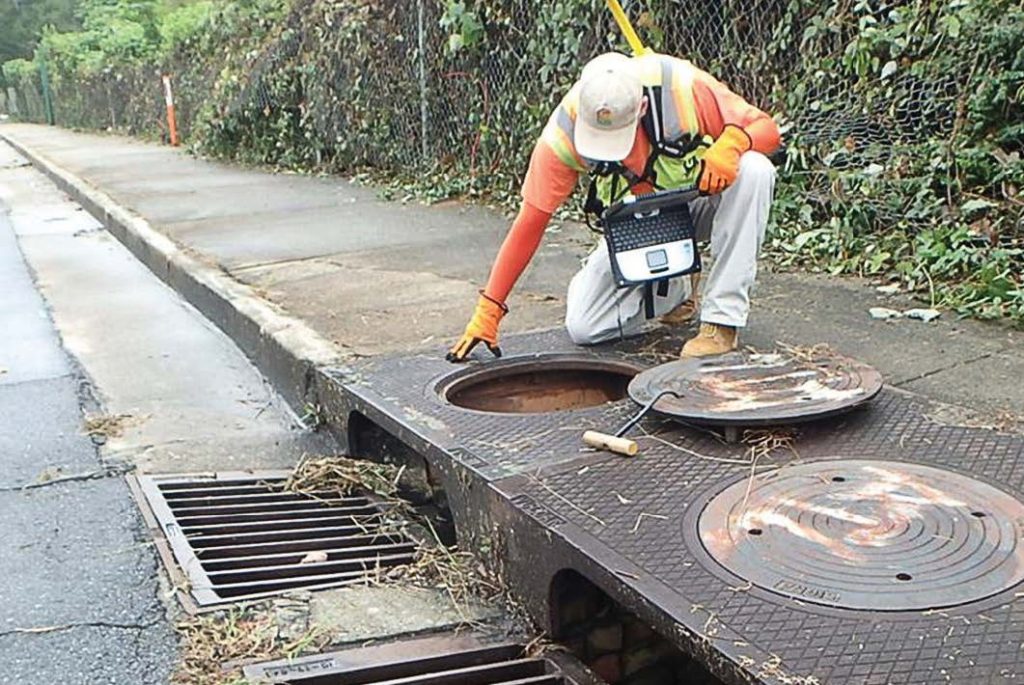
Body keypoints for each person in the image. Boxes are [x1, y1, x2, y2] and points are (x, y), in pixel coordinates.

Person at [447, 50, 780, 362]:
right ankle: (677, 287)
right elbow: (531, 222)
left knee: (754, 170)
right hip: (634, 224)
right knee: (585, 327)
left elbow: (766, 128)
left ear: (642, 110)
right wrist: (490, 307)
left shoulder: (681, 87)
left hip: (697, 202)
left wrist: (734, 143)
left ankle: (721, 323)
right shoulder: (563, 133)